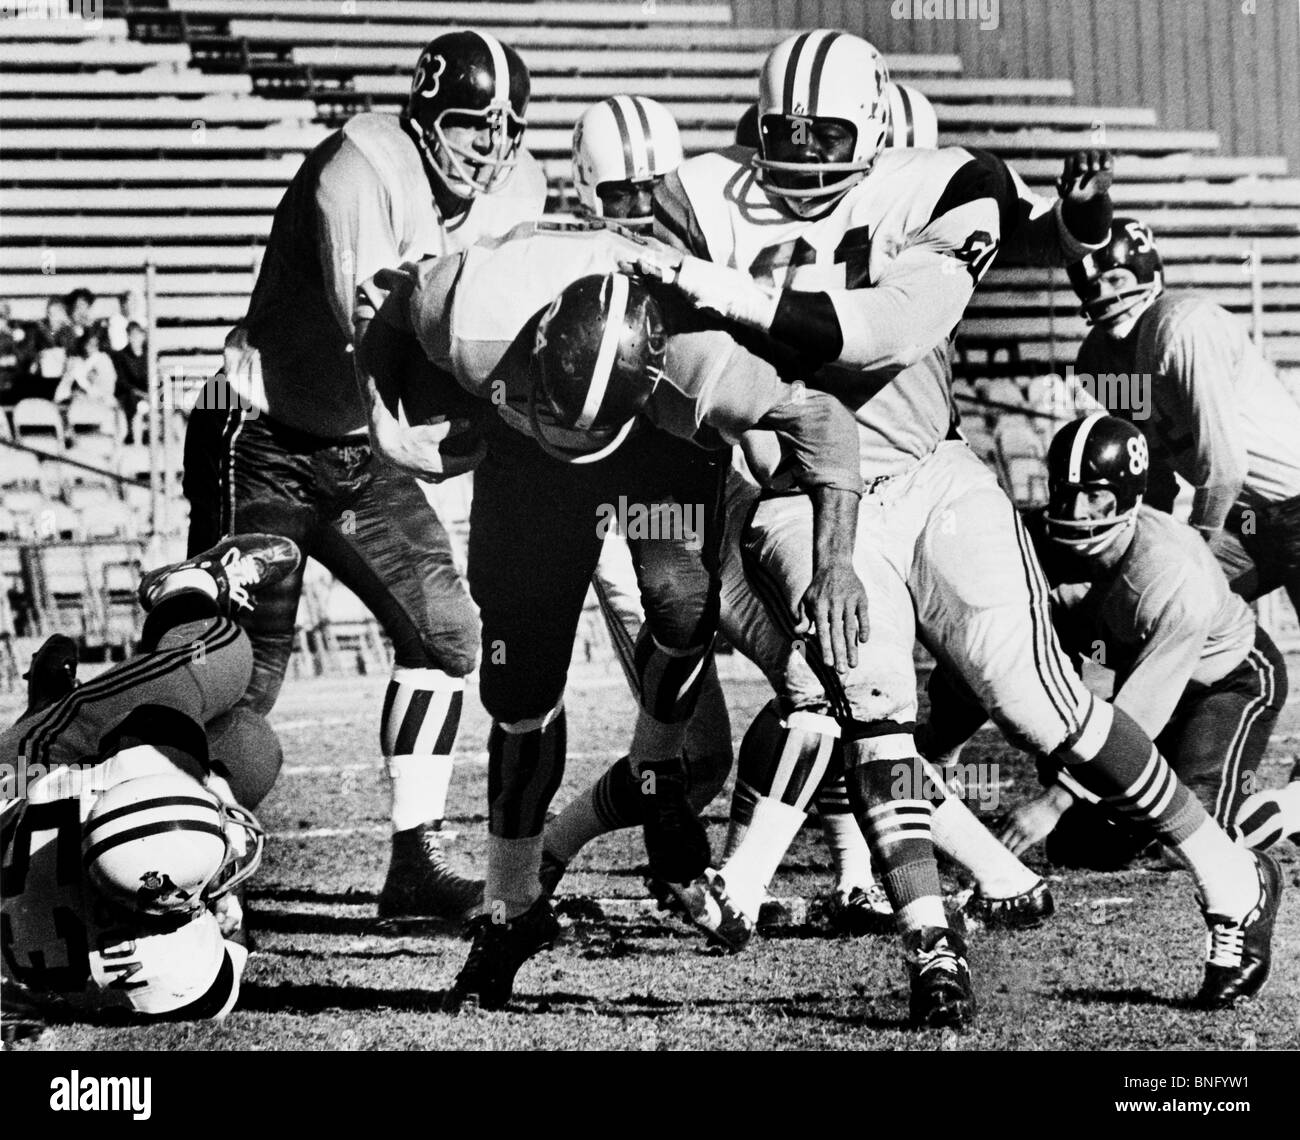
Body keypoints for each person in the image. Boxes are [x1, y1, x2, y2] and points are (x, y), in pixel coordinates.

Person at [628, 27, 1281, 1021]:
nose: (803, 166)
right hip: (806, 495)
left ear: (878, 129)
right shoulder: (698, 197)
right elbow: (676, 369)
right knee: (871, 698)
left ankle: (1228, 876)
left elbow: (886, 326)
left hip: (929, 476)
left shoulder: (938, 181)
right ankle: (932, 943)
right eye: (784, 139)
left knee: (1042, 708)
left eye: (826, 139)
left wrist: (733, 296)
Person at [357, 223, 868, 1012]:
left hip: (653, 455)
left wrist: (835, 563)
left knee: (681, 598)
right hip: (526, 469)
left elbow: (827, 423)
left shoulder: (701, 364)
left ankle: (657, 769)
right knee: (520, 694)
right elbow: (384, 313)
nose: (574, 434)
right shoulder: (470, 312)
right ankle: (510, 906)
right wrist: (389, 425)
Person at [181, 30, 548, 925]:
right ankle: (178, 866)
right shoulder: (359, 168)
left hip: (354, 445)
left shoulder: (520, 184)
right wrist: (466, 429)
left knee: (446, 636)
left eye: (507, 129)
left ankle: (414, 860)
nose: (492, 149)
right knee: (237, 675)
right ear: (425, 117)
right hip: (261, 432)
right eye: (471, 126)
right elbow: (379, 342)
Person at [936, 413, 1295, 867]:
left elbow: (1136, 719)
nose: (1077, 513)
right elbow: (983, 648)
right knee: (1082, 846)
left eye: (1096, 498)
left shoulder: (1170, 574)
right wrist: (941, 750)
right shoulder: (1035, 543)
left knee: (1186, 844)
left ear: (1128, 499)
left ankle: (1292, 806)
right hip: (1147, 684)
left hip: (1226, 682)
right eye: (1067, 494)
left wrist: (1055, 799)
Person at [1, 533, 299, 1029]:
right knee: (251, 745)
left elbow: (154, 721)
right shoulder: (167, 976)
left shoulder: (146, 852)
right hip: (58, 820)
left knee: (220, 659)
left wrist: (213, 799)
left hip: (24, 774)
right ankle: (48, 709)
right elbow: (224, 958)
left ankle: (182, 588)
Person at [1070, 217, 1300, 615]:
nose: (1105, 296)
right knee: (1160, 606)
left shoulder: (1183, 326)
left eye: (1116, 280)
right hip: (1247, 522)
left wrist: (1196, 546)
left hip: (1292, 505)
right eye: (1093, 286)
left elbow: (1225, 468)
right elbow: (1152, 470)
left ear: (1147, 273)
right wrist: (1152, 552)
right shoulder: (1097, 362)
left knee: (1183, 589)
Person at [113, 320, 149, 436]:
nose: (134, 339)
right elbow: (122, 382)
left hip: (148, 393)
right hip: (130, 395)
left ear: (143, 336)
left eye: (138, 335)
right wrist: (141, 394)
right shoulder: (121, 356)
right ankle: (137, 442)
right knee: (136, 408)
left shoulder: (148, 355)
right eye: (131, 336)